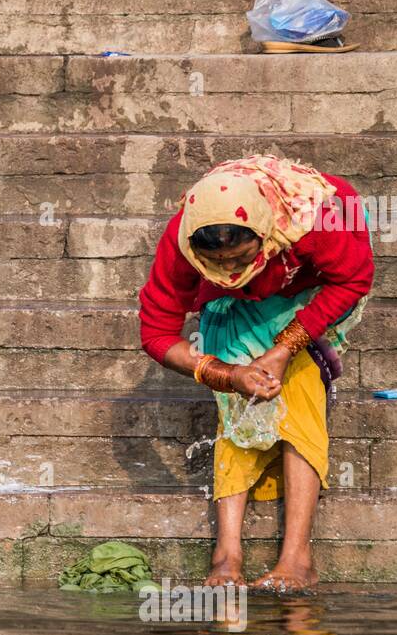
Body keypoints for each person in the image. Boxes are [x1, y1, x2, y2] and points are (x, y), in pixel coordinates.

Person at [138, 156, 374, 592]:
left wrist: (285, 348)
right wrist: (228, 375)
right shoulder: (181, 238)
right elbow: (155, 332)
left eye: (240, 259)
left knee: (300, 389)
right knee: (236, 403)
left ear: (265, 233)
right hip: (240, 303)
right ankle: (227, 555)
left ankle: (297, 558)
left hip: (310, 284)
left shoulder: (319, 217)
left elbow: (353, 278)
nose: (229, 272)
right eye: (217, 263)